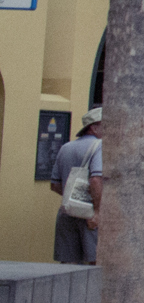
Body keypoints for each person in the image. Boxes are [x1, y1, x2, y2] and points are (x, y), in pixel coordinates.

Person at [50, 106, 104, 265]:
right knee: (95, 263)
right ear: (94, 128)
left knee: (68, 265)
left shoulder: (65, 147)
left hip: (67, 211)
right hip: (90, 214)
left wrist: (74, 198)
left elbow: (54, 184)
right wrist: (97, 211)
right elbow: (96, 180)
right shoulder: (100, 146)